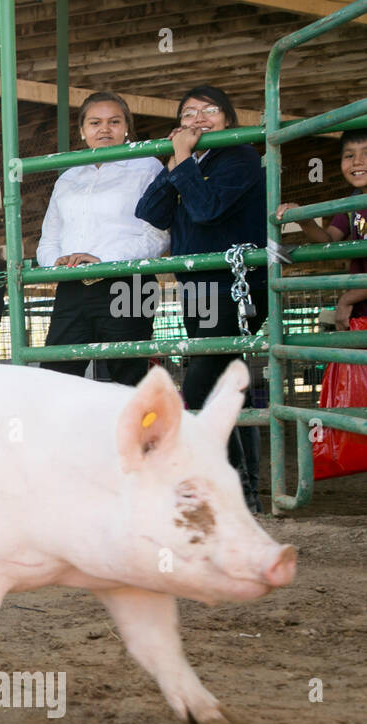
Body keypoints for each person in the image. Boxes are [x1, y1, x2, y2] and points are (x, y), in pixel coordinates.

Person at [135, 84, 266, 512]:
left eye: (210, 111)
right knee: (222, 385)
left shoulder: (240, 157)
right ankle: (238, 492)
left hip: (236, 283)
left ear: (228, 119)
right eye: (189, 114)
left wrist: (184, 162)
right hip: (197, 288)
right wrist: (176, 163)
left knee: (200, 384)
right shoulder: (188, 162)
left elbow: (209, 209)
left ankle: (224, 490)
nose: (199, 120)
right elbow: (150, 213)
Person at [36, 92, 169, 386]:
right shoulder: (68, 176)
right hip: (72, 285)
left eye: (114, 121)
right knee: (55, 377)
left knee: (128, 378)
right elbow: (49, 238)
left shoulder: (147, 167)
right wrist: (56, 262)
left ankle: (133, 434)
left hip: (129, 284)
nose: (104, 129)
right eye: (95, 122)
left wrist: (104, 262)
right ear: (82, 131)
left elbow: (159, 236)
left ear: (126, 128)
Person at [278, 129, 367, 327]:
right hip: (361, 314)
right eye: (349, 155)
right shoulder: (351, 204)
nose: (357, 161)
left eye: (366, 153)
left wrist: (346, 299)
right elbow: (328, 239)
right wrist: (304, 219)